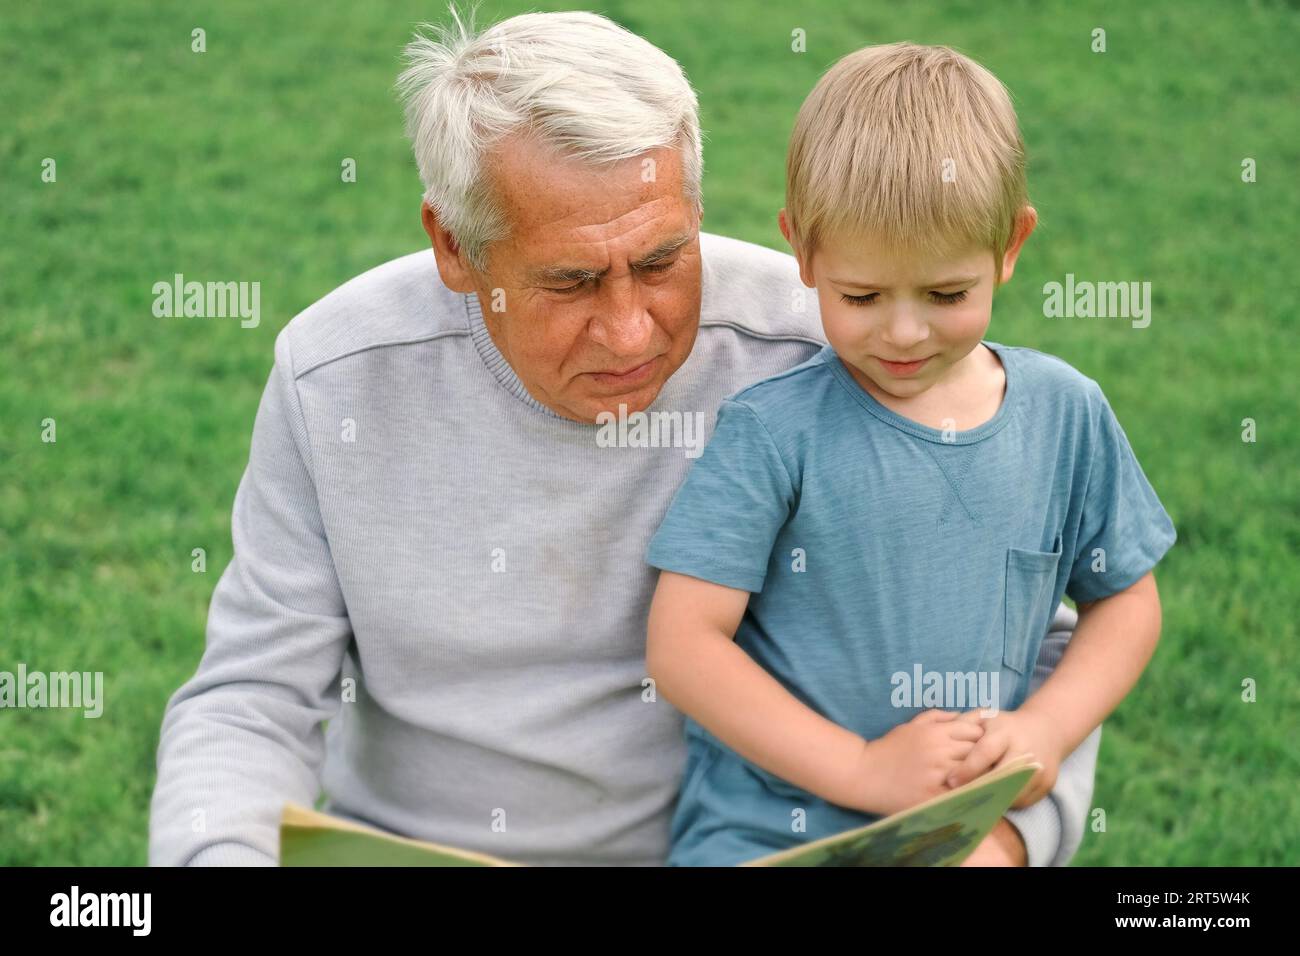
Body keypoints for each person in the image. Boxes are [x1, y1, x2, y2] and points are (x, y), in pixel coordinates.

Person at [149, 13, 1096, 867]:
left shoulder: (830, 346)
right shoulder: (335, 377)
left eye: (661, 261)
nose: (633, 330)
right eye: (568, 282)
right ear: (454, 248)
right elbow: (251, 697)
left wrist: (1005, 839)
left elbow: (1022, 637)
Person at [645, 42, 1173, 866]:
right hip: (761, 837)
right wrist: (861, 768)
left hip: (949, 833)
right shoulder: (774, 431)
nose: (902, 332)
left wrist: (1046, 727)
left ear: (1011, 244)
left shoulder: (1066, 415)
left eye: (946, 295)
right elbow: (683, 646)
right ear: (802, 251)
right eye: (860, 296)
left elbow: (1127, 603)